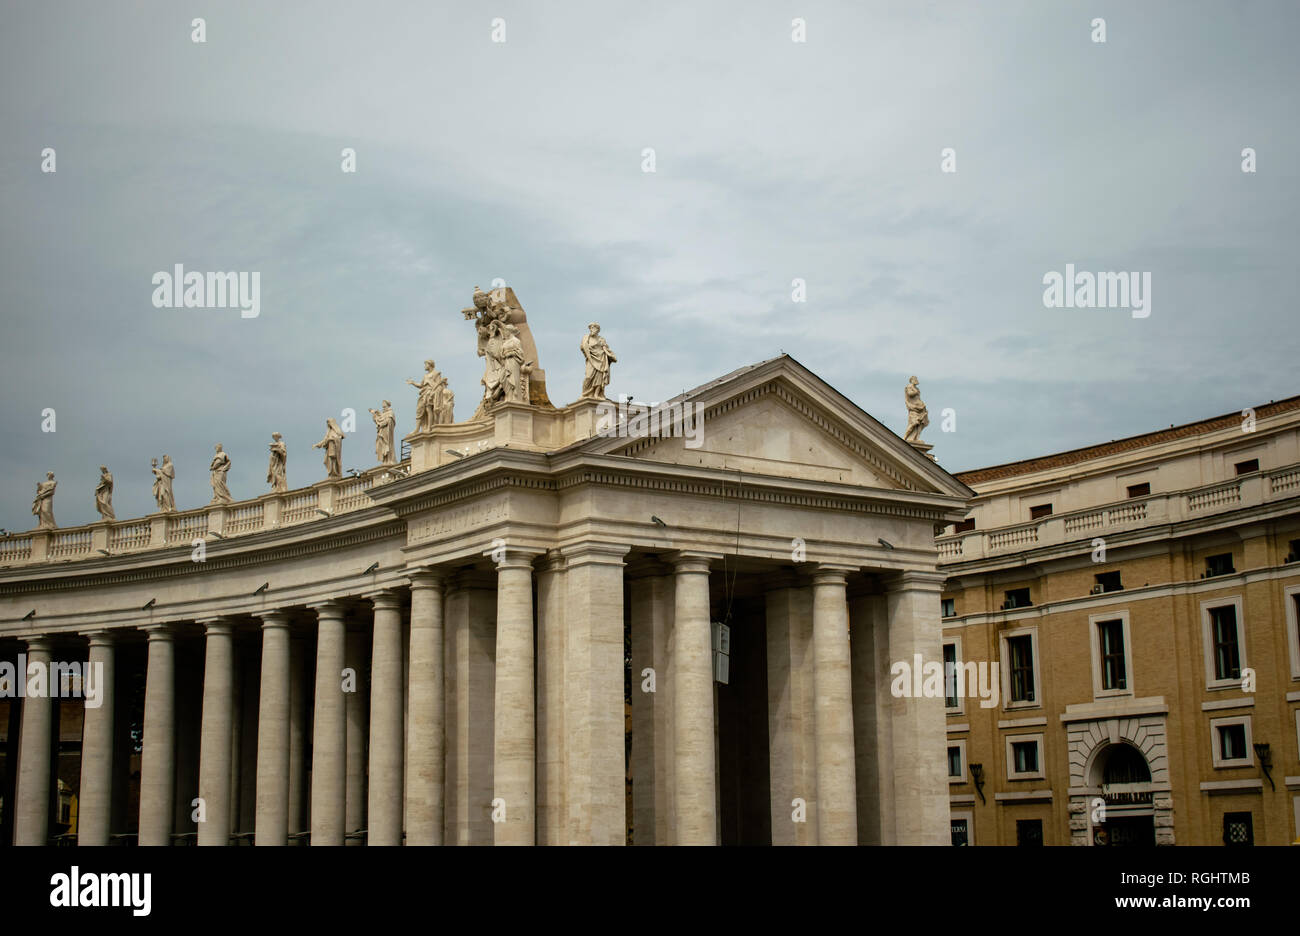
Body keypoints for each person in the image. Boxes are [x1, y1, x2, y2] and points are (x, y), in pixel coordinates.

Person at [580, 322, 616, 399]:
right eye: (591, 328)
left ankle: (596, 394)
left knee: (599, 376)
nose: (592, 329)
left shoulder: (601, 339)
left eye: (594, 328)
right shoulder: (586, 338)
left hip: (601, 358)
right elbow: (582, 347)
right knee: (588, 376)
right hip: (591, 358)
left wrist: (609, 355)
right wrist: (587, 354)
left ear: (597, 329)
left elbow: (605, 348)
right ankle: (585, 394)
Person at [903, 376, 929, 443]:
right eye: (915, 379)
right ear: (912, 380)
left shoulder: (916, 388)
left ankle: (916, 438)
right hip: (914, 408)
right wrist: (915, 391)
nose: (917, 380)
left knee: (920, 423)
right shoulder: (909, 387)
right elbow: (910, 394)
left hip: (920, 408)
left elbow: (918, 398)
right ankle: (905, 437)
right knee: (914, 423)